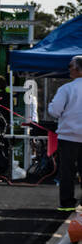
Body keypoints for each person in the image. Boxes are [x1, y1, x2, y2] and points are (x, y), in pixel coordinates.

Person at [47, 56, 82, 212]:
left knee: (67, 172)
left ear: (77, 69)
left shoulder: (67, 89)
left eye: (70, 66)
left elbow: (55, 111)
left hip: (69, 136)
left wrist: (51, 106)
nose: (68, 69)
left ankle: (67, 204)